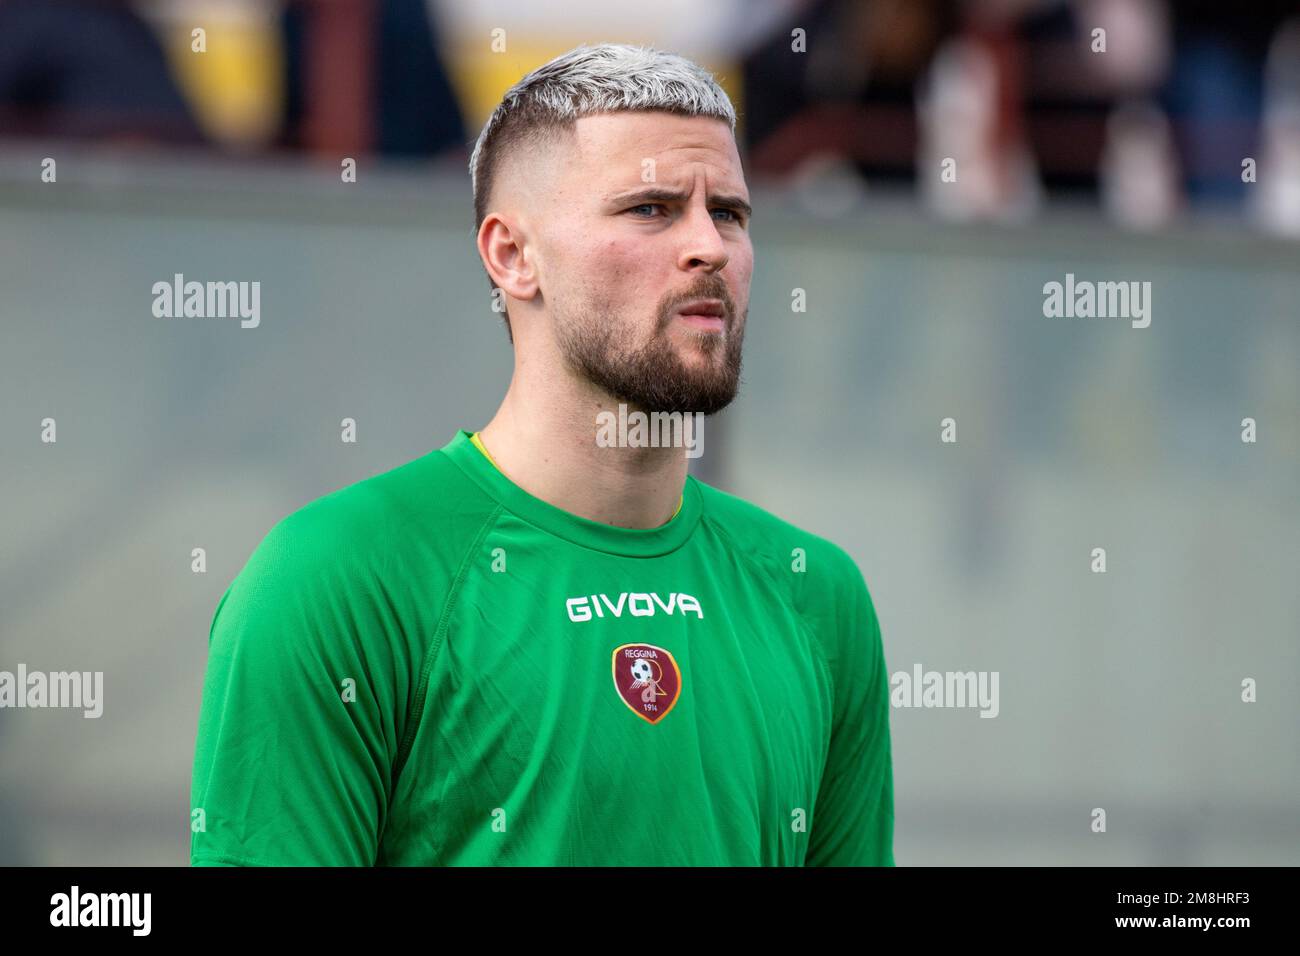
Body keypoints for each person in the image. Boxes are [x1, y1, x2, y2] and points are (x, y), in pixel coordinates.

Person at [190, 42, 894, 866]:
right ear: (513, 256)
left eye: (730, 213)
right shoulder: (334, 580)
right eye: (652, 208)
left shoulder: (819, 595)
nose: (710, 247)